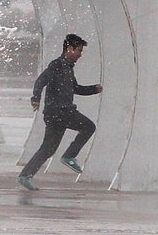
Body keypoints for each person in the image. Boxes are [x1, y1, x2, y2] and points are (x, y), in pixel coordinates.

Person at [19, 33, 102, 191]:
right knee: (89, 127)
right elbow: (40, 80)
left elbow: (75, 89)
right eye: (78, 51)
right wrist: (35, 98)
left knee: (48, 148)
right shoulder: (57, 65)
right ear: (69, 49)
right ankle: (69, 155)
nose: (80, 55)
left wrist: (94, 89)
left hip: (54, 113)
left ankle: (25, 176)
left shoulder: (68, 68)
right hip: (61, 111)